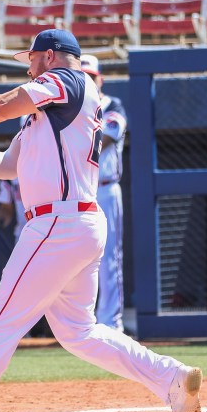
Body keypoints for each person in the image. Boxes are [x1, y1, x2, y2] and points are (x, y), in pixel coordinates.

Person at [0, 28, 202, 412]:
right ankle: (171, 377)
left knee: (0, 322)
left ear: (49, 56)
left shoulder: (68, 80)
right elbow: (8, 165)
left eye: (31, 58)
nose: (28, 66)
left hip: (57, 226)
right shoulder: (45, 117)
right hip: (75, 225)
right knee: (79, 332)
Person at [80, 54, 128, 333]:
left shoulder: (113, 105)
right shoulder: (71, 108)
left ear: (101, 79)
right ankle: (80, 326)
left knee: (110, 257)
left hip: (106, 189)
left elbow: (107, 138)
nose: (88, 80)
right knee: (77, 259)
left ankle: (111, 323)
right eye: (82, 75)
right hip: (80, 192)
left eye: (92, 76)